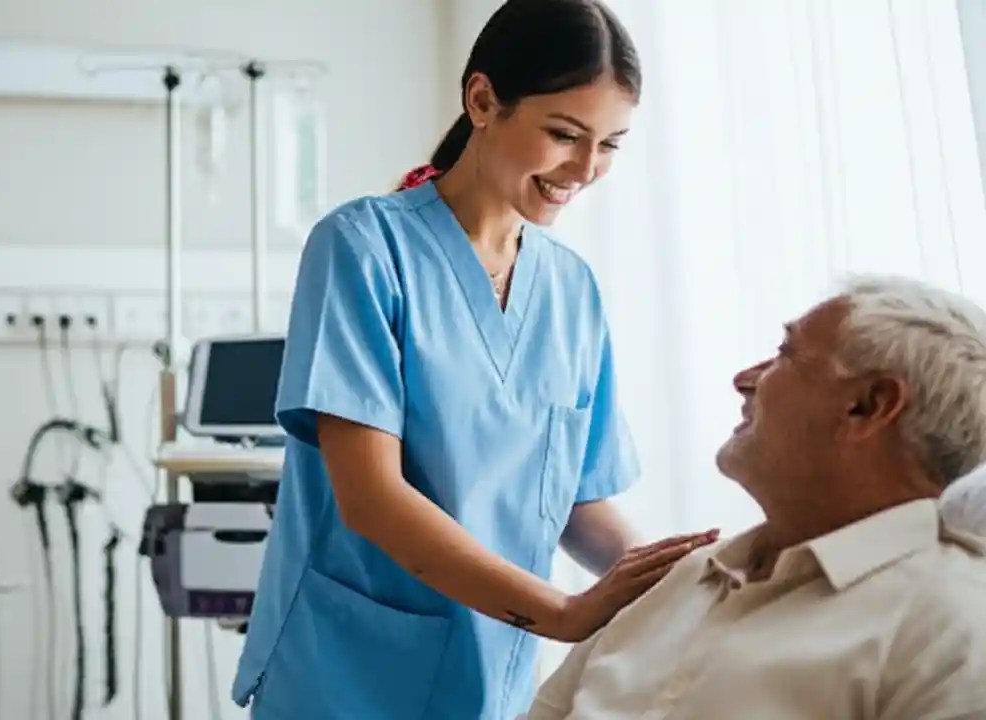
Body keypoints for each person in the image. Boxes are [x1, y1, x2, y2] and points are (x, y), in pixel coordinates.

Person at [230, 1, 717, 718]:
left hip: (492, 670)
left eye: (611, 144)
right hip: (349, 671)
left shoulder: (571, 288)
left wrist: (680, 579)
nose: (585, 169)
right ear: (483, 100)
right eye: (564, 134)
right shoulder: (363, 251)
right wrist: (563, 612)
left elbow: (576, 501)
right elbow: (371, 500)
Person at [527, 276, 986, 720]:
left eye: (786, 355)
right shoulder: (682, 578)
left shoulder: (952, 630)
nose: (744, 379)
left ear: (866, 405)